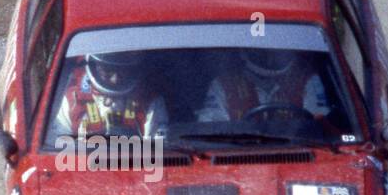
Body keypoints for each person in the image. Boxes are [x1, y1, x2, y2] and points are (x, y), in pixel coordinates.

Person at [50, 51, 168, 140]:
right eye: (107, 70)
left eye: (122, 70)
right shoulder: (72, 100)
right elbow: (58, 151)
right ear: (93, 65)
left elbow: (158, 153)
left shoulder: (149, 101)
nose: (115, 79)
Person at [197, 49, 331, 122]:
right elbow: (211, 128)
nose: (270, 55)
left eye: (275, 49)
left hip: (296, 149)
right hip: (242, 154)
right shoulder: (224, 85)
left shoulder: (306, 79)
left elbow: (320, 124)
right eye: (263, 51)